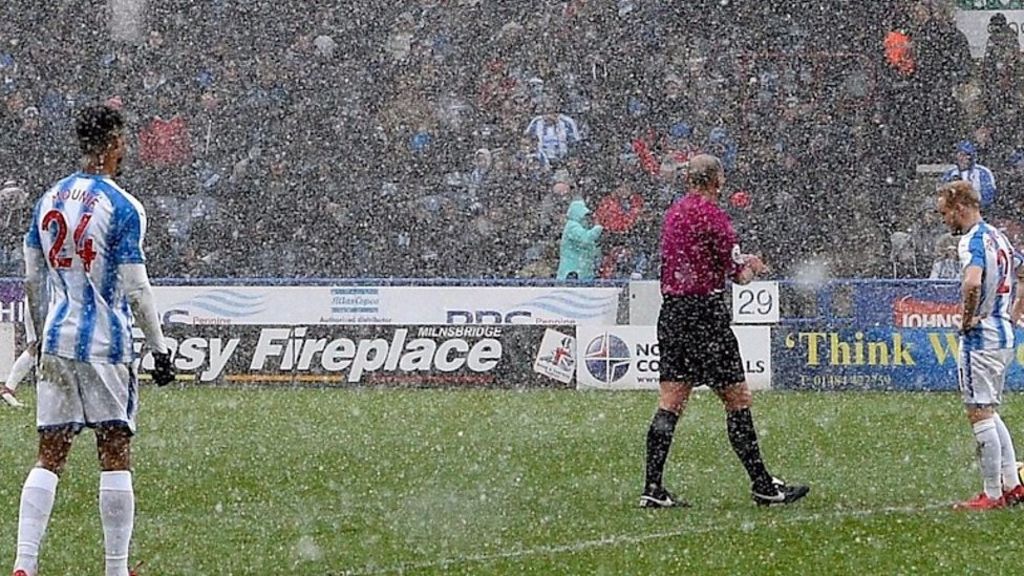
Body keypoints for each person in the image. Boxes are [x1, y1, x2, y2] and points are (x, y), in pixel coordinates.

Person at [12, 104, 176, 576]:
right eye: (123, 140)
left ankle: (24, 564)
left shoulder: (48, 199)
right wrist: (160, 349)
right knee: (114, 451)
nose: (126, 148)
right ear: (113, 144)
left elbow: (32, 279)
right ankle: (116, 569)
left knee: (50, 454)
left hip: (57, 338)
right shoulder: (123, 206)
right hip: (106, 344)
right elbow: (137, 288)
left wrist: (38, 336)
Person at [640, 154, 809, 508]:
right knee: (737, 400)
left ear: (688, 180)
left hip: (673, 313)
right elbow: (740, 276)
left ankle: (652, 488)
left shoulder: (674, 214)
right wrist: (753, 265)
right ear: (718, 180)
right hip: (706, 314)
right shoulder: (715, 218)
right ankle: (763, 486)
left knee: (670, 402)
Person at [935, 181, 1024, 510]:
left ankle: (992, 494)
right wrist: (1014, 313)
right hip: (1003, 336)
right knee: (989, 409)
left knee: (979, 413)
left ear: (959, 208)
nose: (944, 220)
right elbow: (1022, 270)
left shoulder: (972, 240)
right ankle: (1013, 485)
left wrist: (967, 318)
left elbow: (972, 282)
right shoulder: (998, 236)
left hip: (981, 338)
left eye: (945, 213)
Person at [556, 199, 603, 281]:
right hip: (572, 272)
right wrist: (598, 228)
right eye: (584, 215)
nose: (586, 217)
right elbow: (586, 239)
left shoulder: (579, 227)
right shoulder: (572, 227)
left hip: (581, 272)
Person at [942, 140, 997, 209]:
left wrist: (972, 202)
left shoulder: (982, 172)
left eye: (966, 155)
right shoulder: (950, 173)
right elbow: (943, 192)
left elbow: (988, 195)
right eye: (960, 155)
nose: (962, 159)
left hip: (979, 210)